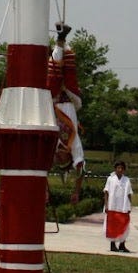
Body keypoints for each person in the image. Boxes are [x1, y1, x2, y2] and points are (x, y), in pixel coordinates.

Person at [49, 22, 86, 202]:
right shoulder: (74, 147)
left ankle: (60, 38)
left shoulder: (54, 145)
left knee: (54, 69)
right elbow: (81, 169)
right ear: (67, 158)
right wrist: (77, 190)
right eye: (60, 159)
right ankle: (62, 38)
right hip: (66, 101)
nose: (57, 157)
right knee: (67, 68)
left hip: (53, 101)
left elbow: (45, 167)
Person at [103, 160, 133, 252]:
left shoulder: (127, 180)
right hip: (112, 206)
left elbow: (129, 193)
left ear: (124, 170)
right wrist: (106, 205)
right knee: (112, 226)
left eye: (122, 168)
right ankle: (112, 244)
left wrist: (130, 206)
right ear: (115, 169)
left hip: (123, 206)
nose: (120, 170)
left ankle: (122, 244)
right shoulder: (110, 179)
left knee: (124, 225)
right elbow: (106, 192)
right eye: (118, 168)